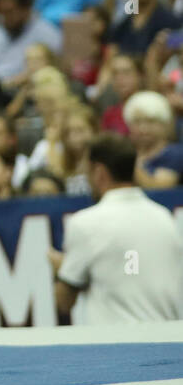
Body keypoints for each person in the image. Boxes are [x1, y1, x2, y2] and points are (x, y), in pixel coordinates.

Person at [51, 134, 183, 324]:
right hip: (169, 344)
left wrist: (61, 268)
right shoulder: (164, 217)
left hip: (116, 346)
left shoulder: (86, 223)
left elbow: (64, 302)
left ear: (99, 172)